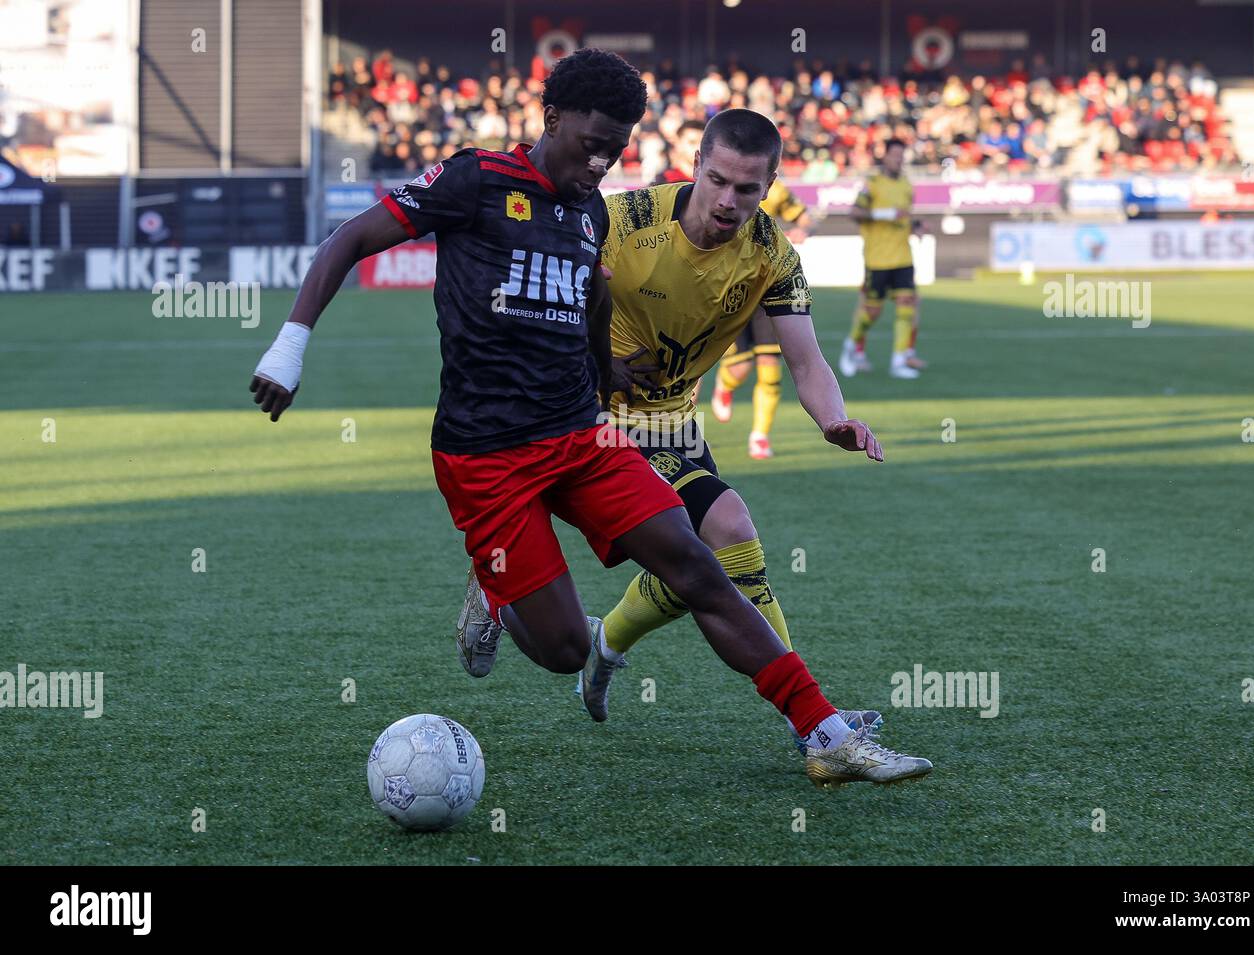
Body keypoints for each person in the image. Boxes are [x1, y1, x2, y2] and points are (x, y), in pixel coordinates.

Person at [248, 49, 930, 788]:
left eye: (618, 146)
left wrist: (604, 368)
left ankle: (822, 730)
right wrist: (290, 348)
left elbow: (593, 298)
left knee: (700, 563)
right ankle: (497, 581)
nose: (604, 158)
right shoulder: (477, 179)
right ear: (552, 120)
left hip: (583, 435)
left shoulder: (587, 210)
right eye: (593, 140)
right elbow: (349, 240)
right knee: (565, 648)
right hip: (486, 456)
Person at [584, 109, 928, 770]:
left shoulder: (772, 253)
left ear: (770, 185)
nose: (728, 200)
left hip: (675, 423)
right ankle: (818, 727)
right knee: (732, 528)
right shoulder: (622, 221)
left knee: (701, 568)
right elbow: (556, 304)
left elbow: (805, 359)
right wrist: (595, 361)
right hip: (599, 423)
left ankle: (607, 643)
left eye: (748, 188)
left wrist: (835, 418)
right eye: (717, 180)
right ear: (696, 166)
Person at [709, 176, 816, 459]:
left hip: (768, 288)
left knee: (770, 367)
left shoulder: (777, 192)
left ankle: (760, 436)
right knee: (742, 367)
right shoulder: (723, 192)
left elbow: (805, 217)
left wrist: (800, 229)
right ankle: (725, 385)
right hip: (730, 289)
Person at [840, 138, 926, 380]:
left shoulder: (907, 185)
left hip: (902, 256)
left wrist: (916, 226)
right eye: (894, 155)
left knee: (907, 305)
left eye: (901, 156)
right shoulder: (873, 183)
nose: (898, 160)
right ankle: (851, 344)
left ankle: (899, 360)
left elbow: (905, 218)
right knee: (871, 312)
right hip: (877, 259)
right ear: (885, 156)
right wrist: (887, 214)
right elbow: (854, 213)